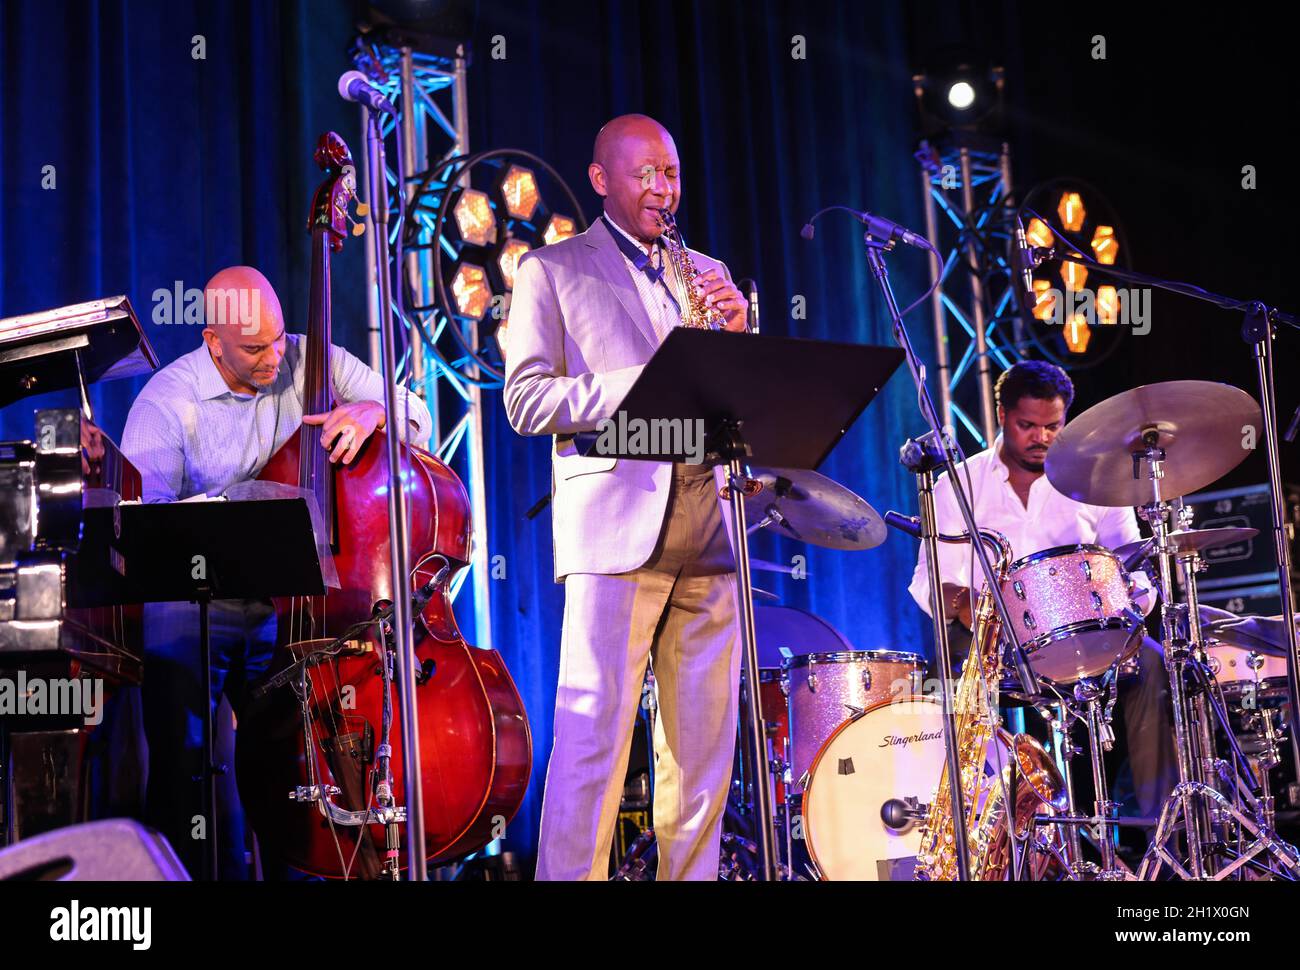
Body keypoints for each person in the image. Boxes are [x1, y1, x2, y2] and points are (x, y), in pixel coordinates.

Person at [120, 264, 431, 877]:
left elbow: (416, 414)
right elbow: (145, 527)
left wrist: (374, 410)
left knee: (293, 762)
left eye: (279, 338)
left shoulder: (310, 360)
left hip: (289, 602)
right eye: (255, 348)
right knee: (187, 760)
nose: (275, 357)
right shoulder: (165, 401)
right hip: (196, 598)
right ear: (212, 341)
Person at [503, 114, 749, 880]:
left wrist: (742, 338)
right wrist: (639, 384)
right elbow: (526, 401)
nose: (661, 188)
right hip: (616, 529)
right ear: (602, 179)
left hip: (711, 523)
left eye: (670, 173)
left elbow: (746, 402)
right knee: (591, 748)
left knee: (703, 762)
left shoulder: (706, 271)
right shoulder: (552, 270)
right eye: (644, 174)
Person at [908, 360, 1178, 820]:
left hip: (1082, 633)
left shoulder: (1097, 479)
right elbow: (930, 581)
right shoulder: (957, 484)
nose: (1041, 437)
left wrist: (1130, 594)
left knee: (1152, 661)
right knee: (944, 672)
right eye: (1026, 425)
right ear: (1001, 415)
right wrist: (963, 602)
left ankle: (1158, 829)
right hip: (991, 640)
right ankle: (964, 822)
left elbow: (1134, 568)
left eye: (1053, 425)